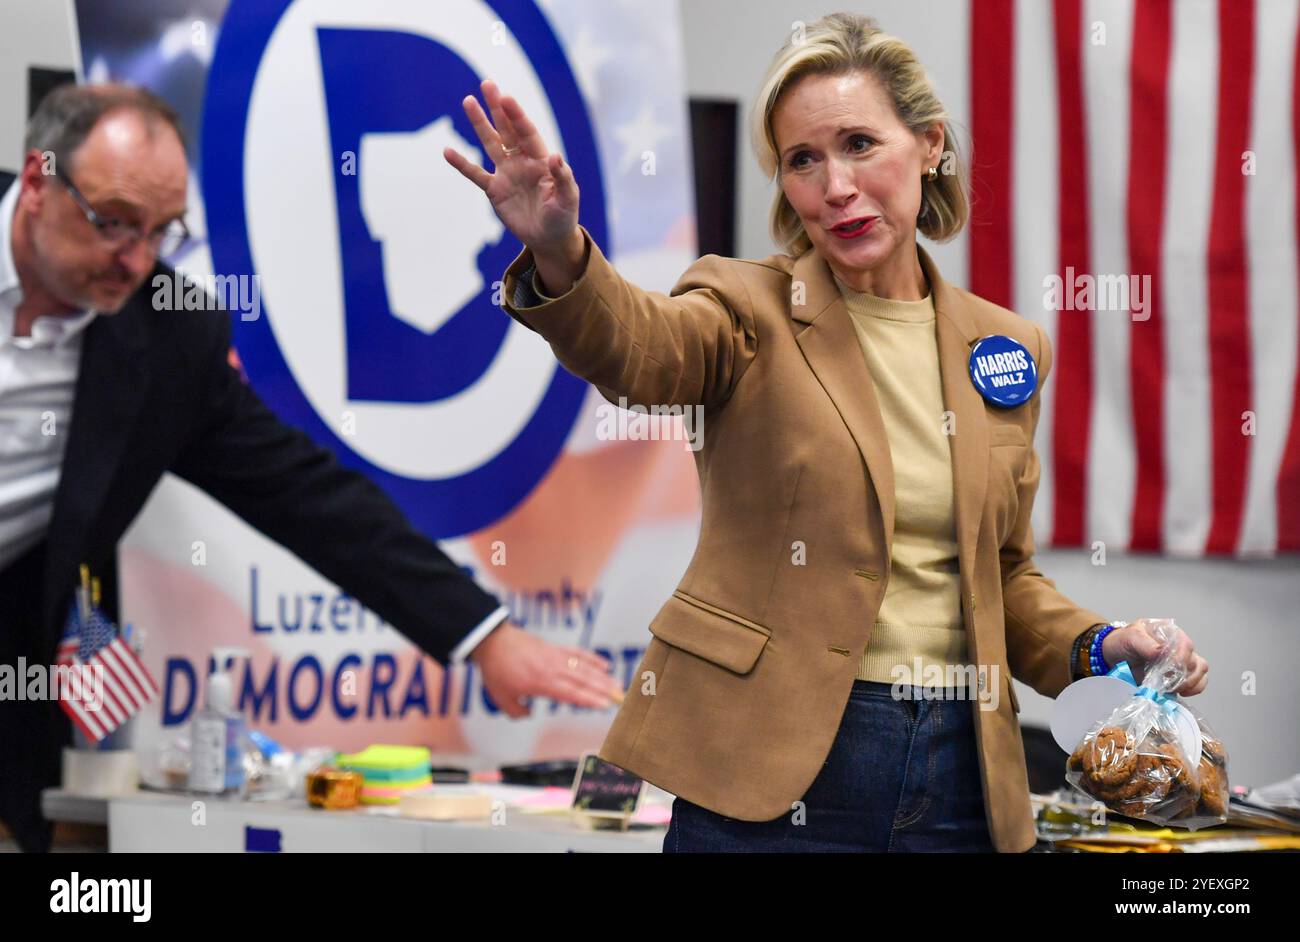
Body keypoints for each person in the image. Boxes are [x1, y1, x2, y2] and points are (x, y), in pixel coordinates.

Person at [446, 12, 1210, 853]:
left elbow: (1001, 576)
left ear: (929, 145)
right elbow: (640, 352)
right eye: (802, 160)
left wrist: (1103, 644)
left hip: (963, 775)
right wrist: (560, 253)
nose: (833, 185)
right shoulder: (744, 305)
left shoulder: (1006, 346)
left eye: (858, 144)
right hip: (771, 769)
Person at [0, 82, 618, 852]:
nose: (137, 260)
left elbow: (306, 494)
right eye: (114, 223)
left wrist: (484, 637)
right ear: (35, 182)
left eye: (163, 231)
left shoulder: (165, 334)